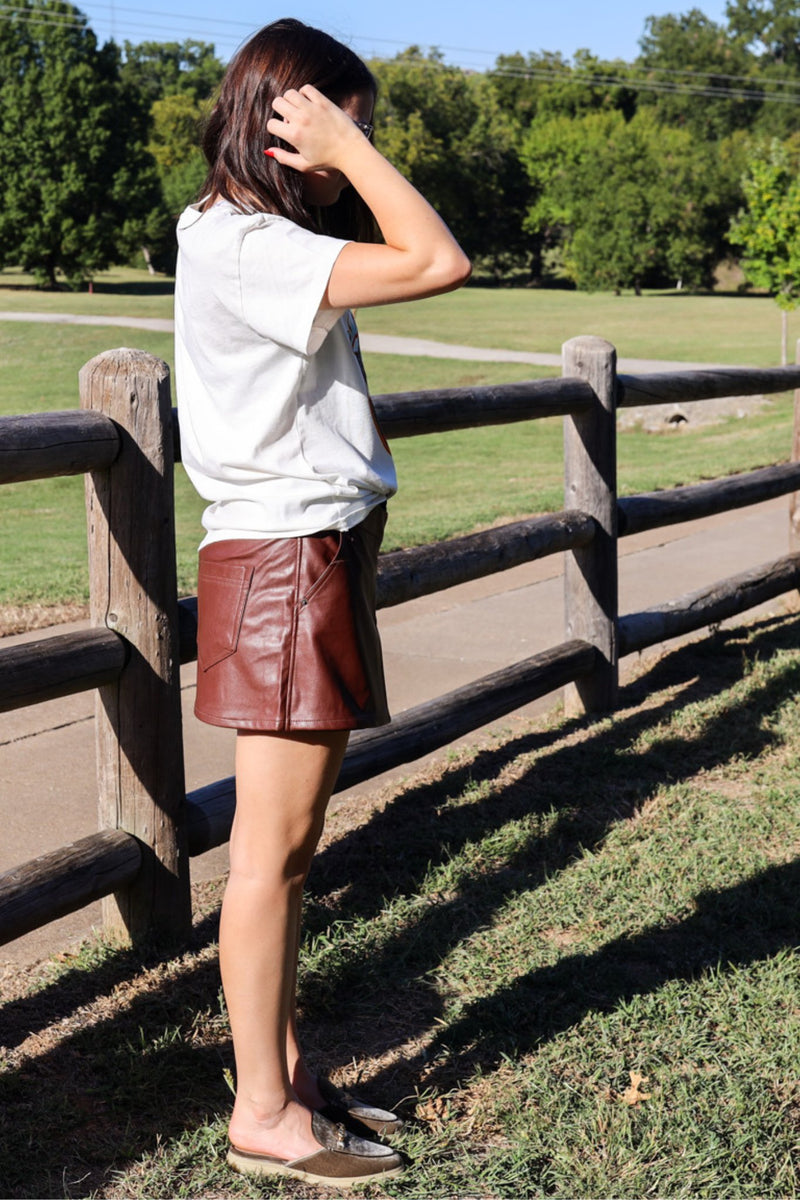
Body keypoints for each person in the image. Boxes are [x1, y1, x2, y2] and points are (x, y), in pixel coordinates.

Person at [174, 16, 470, 1187]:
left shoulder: (245, 238)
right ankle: (262, 1115)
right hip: (287, 563)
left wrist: (342, 149)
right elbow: (437, 259)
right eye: (350, 122)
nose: (364, 145)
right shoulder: (243, 243)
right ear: (292, 124)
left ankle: (289, 1078)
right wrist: (351, 150)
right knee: (271, 855)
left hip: (303, 558)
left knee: (285, 854)